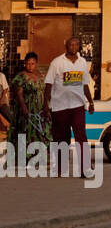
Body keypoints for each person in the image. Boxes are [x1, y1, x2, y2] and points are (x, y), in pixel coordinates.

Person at [44, 38, 94, 176]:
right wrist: (45, 106)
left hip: (77, 106)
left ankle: (86, 168)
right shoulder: (57, 62)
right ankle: (61, 168)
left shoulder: (82, 62)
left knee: (81, 137)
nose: (73, 47)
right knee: (61, 138)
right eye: (71, 44)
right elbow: (48, 84)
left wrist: (90, 102)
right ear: (66, 46)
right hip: (60, 107)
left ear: (79, 46)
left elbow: (85, 84)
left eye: (76, 44)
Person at [8, 52, 50, 149]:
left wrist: (46, 106)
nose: (30, 66)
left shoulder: (40, 75)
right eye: (27, 63)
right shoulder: (21, 76)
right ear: (24, 63)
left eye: (32, 63)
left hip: (40, 108)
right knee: (26, 130)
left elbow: (44, 91)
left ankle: (39, 154)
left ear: (36, 63)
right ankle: (26, 156)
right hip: (28, 107)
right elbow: (19, 94)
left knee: (41, 130)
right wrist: (24, 108)